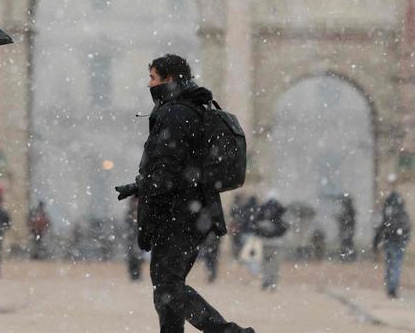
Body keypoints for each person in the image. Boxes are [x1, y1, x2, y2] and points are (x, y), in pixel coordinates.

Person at [116, 54, 254, 333]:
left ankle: (227, 331)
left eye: (153, 78)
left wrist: (150, 214)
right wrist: (139, 186)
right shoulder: (195, 107)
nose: (149, 84)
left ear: (168, 79)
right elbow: (180, 167)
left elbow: (165, 170)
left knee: (167, 284)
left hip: (177, 213)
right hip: (195, 209)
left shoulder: (173, 112)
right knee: (167, 286)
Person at [372, 191, 411, 298]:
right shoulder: (402, 214)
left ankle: (390, 287)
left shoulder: (388, 214)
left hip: (389, 242)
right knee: (395, 265)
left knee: (390, 265)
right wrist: (404, 239)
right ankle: (392, 287)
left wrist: (376, 242)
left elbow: (381, 228)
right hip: (396, 242)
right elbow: (407, 228)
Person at [252, 194, 288, 291]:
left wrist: (262, 231)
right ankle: (272, 282)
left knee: (266, 263)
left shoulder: (263, 211)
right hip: (276, 242)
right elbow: (284, 227)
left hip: (266, 242)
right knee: (274, 264)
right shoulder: (281, 212)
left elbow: (255, 225)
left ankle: (266, 281)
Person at [125, 197, 143, 281]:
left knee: (139, 256)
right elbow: (128, 223)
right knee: (132, 255)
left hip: (138, 237)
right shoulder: (130, 213)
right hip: (132, 238)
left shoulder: (142, 212)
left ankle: (137, 273)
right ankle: (133, 274)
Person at [336, 194, 357, 263]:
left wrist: (341, 219)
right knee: (346, 243)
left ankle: (349, 256)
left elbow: (349, 220)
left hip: (348, 229)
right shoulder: (347, 209)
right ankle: (346, 256)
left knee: (347, 243)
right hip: (347, 229)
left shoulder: (349, 210)